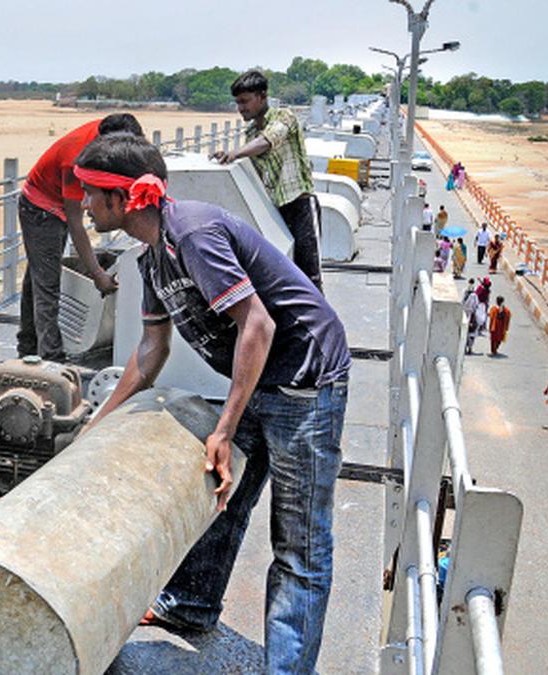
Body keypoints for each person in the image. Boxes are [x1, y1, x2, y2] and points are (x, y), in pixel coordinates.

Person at [76, 133, 350, 672]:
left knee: (299, 545)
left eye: (91, 193)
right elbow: (152, 350)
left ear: (124, 197)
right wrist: (97, 424)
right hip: (259, 379)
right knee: (219, 496)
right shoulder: (151, 257)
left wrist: (224, 427)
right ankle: (192, 605)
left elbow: (257, 323)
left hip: (304, 382)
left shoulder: (193, 234)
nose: (84, 205)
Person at [16, 113, 143, 361]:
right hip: (41, 209)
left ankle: (27, 347)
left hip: (56, 203)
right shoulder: (76, 161)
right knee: (47, 284)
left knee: (39, 275)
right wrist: (97, 275)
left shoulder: (112, 131)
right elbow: (76, 225)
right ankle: (51, 359)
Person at [211, 70, 323, 292]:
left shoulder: (284, 117)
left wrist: (234, 153)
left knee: (309, 276)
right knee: (284, 273)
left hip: (299, 205)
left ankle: (322, 325)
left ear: (262, 96)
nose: (241, 108)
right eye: (237, 103)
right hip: (275, 210)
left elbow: (268, 140)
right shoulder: (251, 132)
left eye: (245, 101)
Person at [463, 286, 484, 354]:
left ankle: (466, 348)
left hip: (467, 318)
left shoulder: (466, 299)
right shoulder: (474, 297)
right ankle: (470, 348)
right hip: (472, 319)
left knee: (466, 335)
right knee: (471, 336)